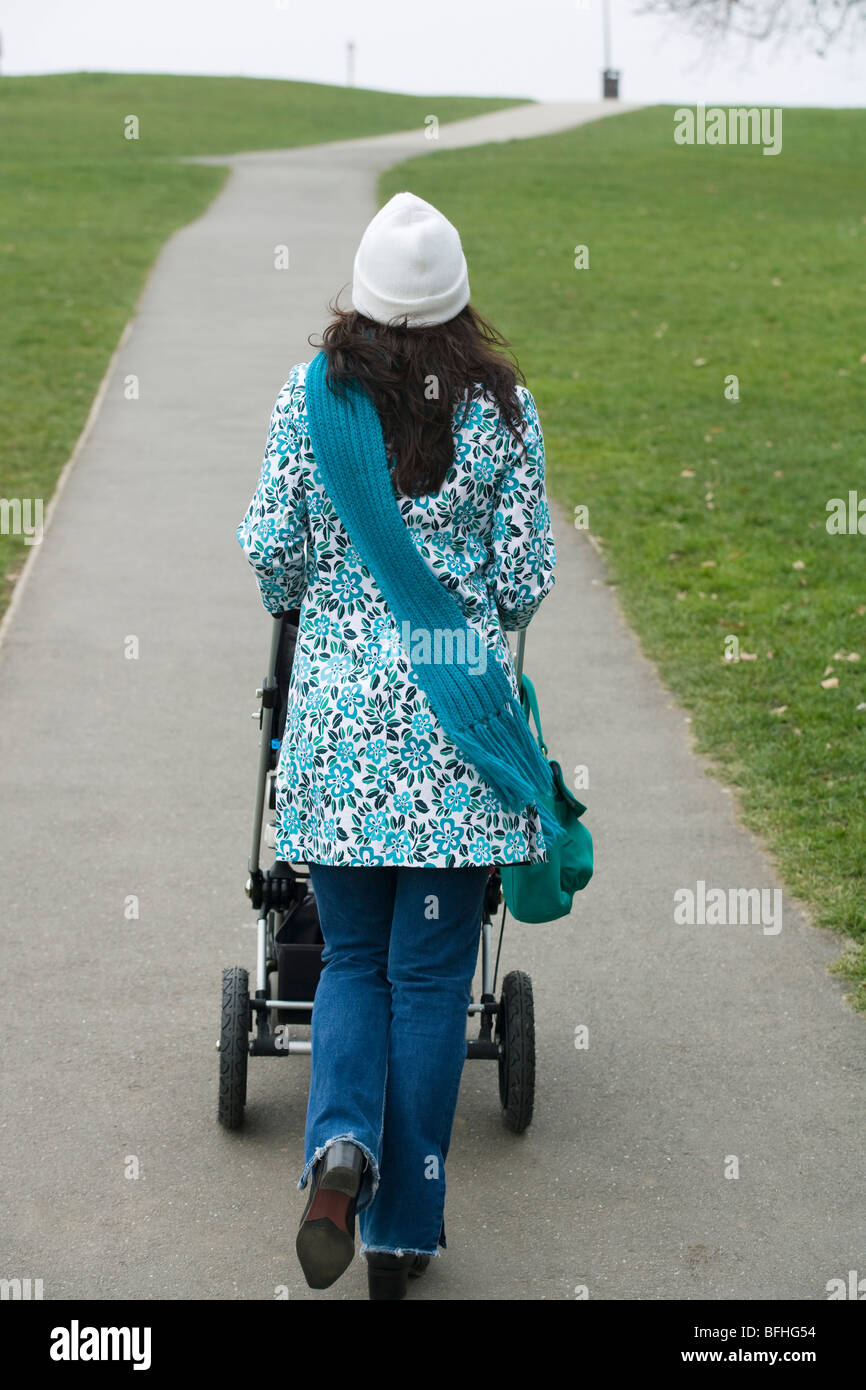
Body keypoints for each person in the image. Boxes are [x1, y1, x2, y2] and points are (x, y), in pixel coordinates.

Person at [236, 190, 556, 1300]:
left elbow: (274, 558)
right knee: (428, 980)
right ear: (459, 303)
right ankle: (405, 1230)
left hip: (334, 748)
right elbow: (522, 583)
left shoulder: (309, 399)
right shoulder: (502, 414)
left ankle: (339, 1149)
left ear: (360, 299)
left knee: (352, 965)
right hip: (454, 749)